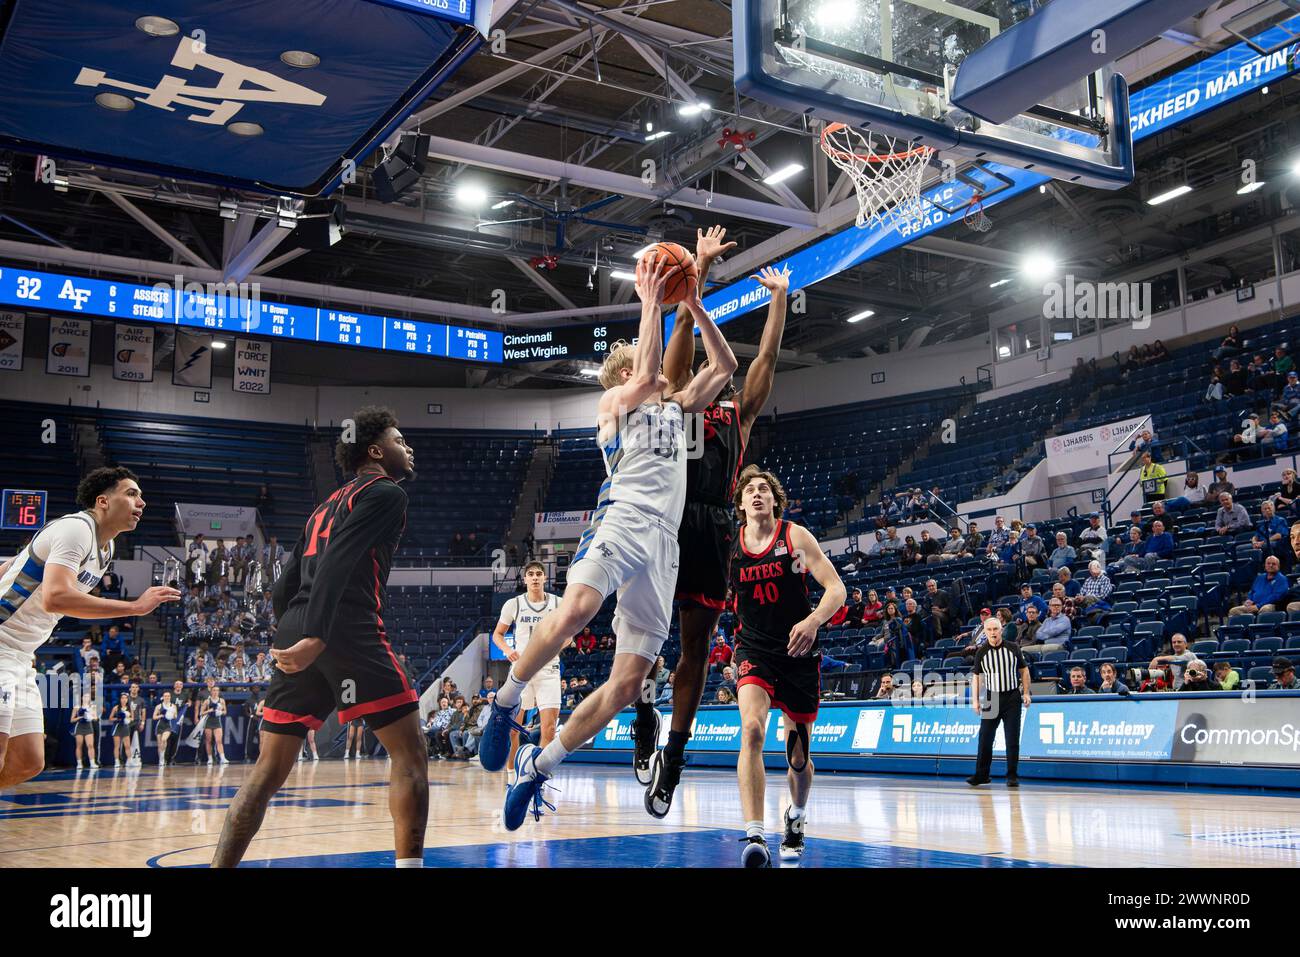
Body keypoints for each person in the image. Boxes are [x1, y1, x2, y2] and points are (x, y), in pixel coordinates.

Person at [480, 250, 738, 832]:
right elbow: (647, 375)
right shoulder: (614, 404)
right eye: (645, 370)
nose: (663, 376)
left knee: (627, 684)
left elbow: (724, 365)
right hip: (622, 517)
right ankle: (504, 703)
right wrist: (650, 300)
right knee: (579, 607)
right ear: (624, 375)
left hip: (665, 544)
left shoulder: (676, 408)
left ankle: (539, 766)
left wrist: (696, 307)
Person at [212, 407, 427, 869]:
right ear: (375, 451)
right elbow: (339, 562)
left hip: (300, 622)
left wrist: (290, 630)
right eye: (398, 439)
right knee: (410, 756)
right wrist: (316, 634)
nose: (407, 447)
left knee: (267, 771)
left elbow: (286, 583)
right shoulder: (386, 493)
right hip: (345, 627)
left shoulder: (323, 506)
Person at [0, 467, 179, 787]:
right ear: (103, 501)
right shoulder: (76, 529)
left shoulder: (105, 550)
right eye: (131, 493)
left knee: (28, 761)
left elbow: (11, 566)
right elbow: (55, 598)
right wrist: (135, 607)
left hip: (20, 652)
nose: (142, 502)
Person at [727, 466, 846, 866]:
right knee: (753, 728)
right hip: (753, 650)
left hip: (797, 653)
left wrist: (813, 621)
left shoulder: (793, 537)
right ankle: (754, 835)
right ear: (741, 503)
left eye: (764, 489)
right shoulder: (732, 546)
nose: (757, 494)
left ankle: (796, 817)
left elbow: (836, 588)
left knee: (797, 756)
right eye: (750, 491)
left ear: (774, 499)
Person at [491, 560, 564, 781]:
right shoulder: (514, 604)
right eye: (530, 574)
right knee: (514, 728)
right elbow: (497, 634)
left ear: (544, 578)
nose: (534, 577)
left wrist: (555, 646)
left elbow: (571, 633)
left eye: (538, 574)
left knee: (549, 729)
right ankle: (512, 777)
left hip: (549, 669)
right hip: (521, 670)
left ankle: (536, 779)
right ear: (525, 579)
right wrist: (507, 650)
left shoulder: (558, 603)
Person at [968, 616, 1030, 788]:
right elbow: (977, 677)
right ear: (985, 632)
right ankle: (982, 775)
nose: (993, 632)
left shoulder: (1013, 648)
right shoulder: (981, 652)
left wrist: (1026, 692)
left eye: (996, 629)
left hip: (1011, 697)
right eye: (989, 630)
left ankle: (1012, 776)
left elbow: (1024, 671)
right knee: (985, 737)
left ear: (1001, 630)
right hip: (991, 697)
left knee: (1012, 738)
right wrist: (975, 700)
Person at [71, 692, 98, 770]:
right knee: (79, 745)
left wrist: (90, 717)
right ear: (82, 698)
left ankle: (92, 763)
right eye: (85, 696)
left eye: (88, 697)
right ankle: (79, 763)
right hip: (79, 727)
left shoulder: (93, 706)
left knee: (90, 745)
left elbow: (96, 718)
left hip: (88, 727)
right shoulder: (77, 707)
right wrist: (80, 717)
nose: (86, 698)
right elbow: (72, 720)